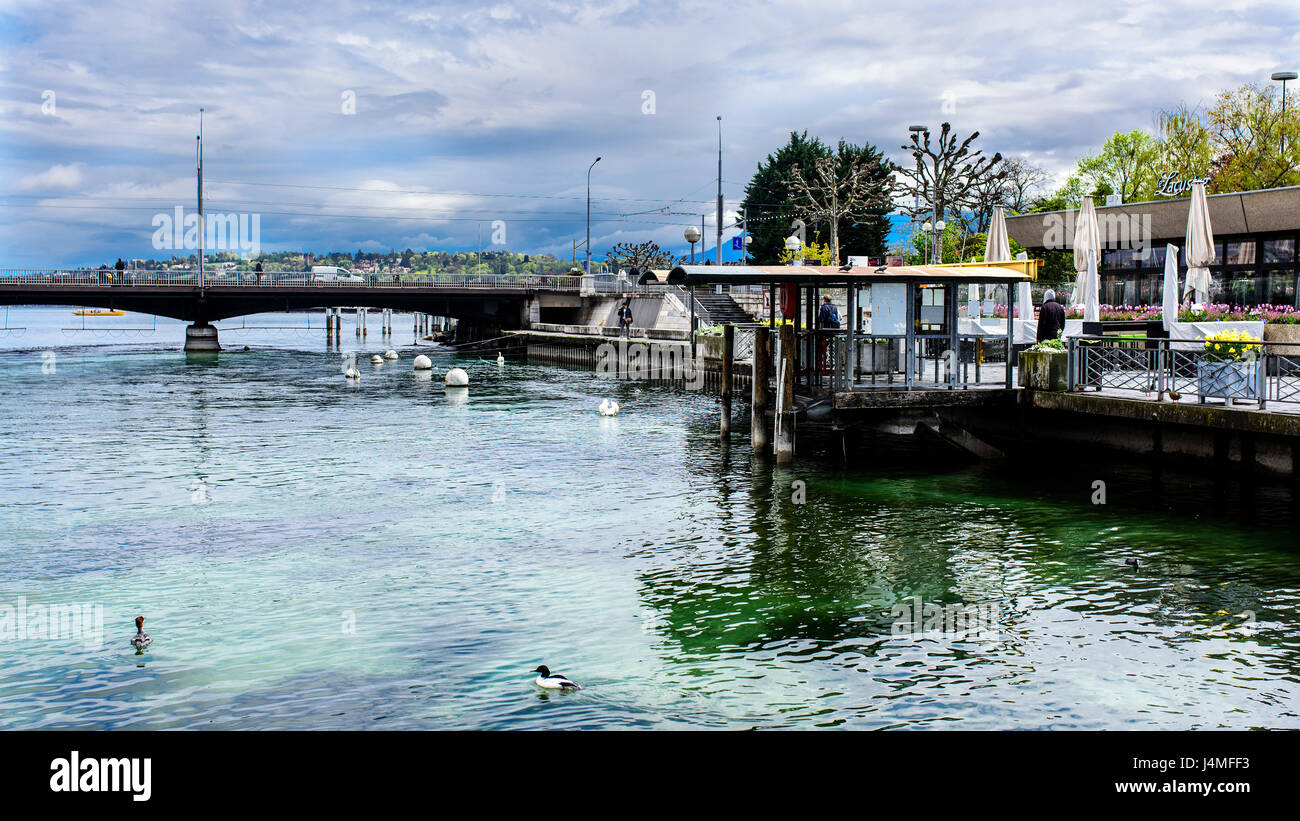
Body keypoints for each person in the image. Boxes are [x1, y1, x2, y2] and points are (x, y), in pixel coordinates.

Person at [816, 295, 841, 374]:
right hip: (834, 331)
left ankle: (824, 366)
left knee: (824, 348)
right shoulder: (834, 307)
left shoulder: (823, 308)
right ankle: (832, 366)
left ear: (824, 300)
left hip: (826, 332)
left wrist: (821, 330)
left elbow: (821, 320)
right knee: (832, 348)